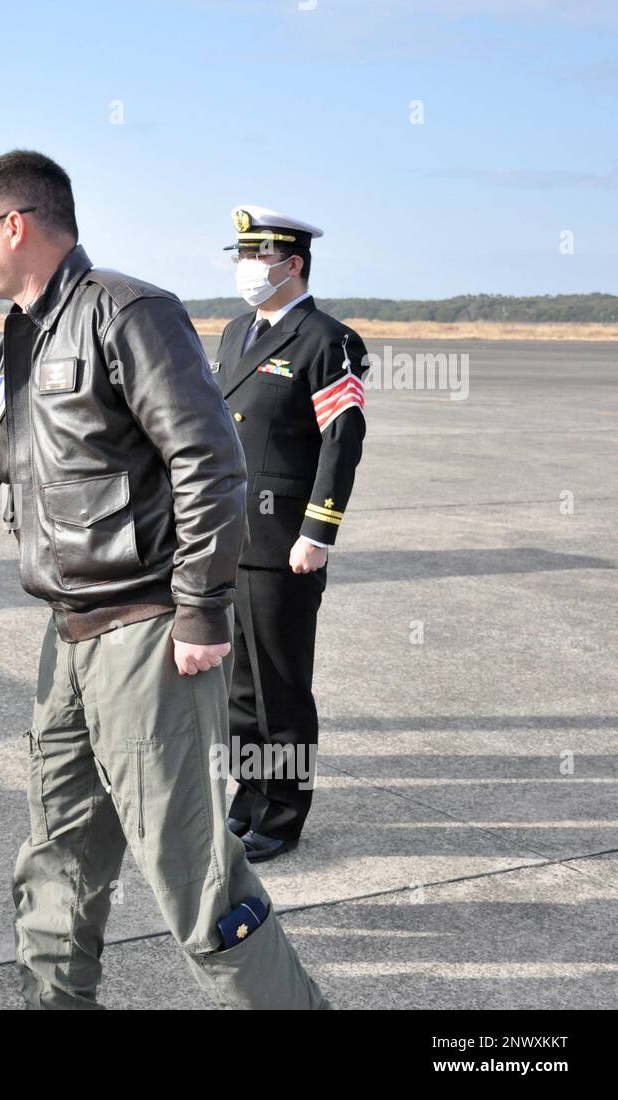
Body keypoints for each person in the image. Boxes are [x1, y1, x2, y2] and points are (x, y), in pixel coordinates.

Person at [0, 151, 330, 1009]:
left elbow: (209, 462)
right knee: (57, 854)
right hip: (69, 638)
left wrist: (200, 610)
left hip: (147, 632)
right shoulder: (11, 348)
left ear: (16, 226)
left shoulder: (128, 314)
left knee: (190, 877)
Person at [215, 205, 369, 862]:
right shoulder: (232, 334)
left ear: (292, 263)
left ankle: (282, 815)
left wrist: (318, 531)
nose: (245, 268)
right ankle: (248, 800)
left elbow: (341, 443)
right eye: (241, 256)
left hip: (286, 548)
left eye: (257, 257)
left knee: (282, 688)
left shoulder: (328, 341)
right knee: (241, 691)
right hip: (232, 541)